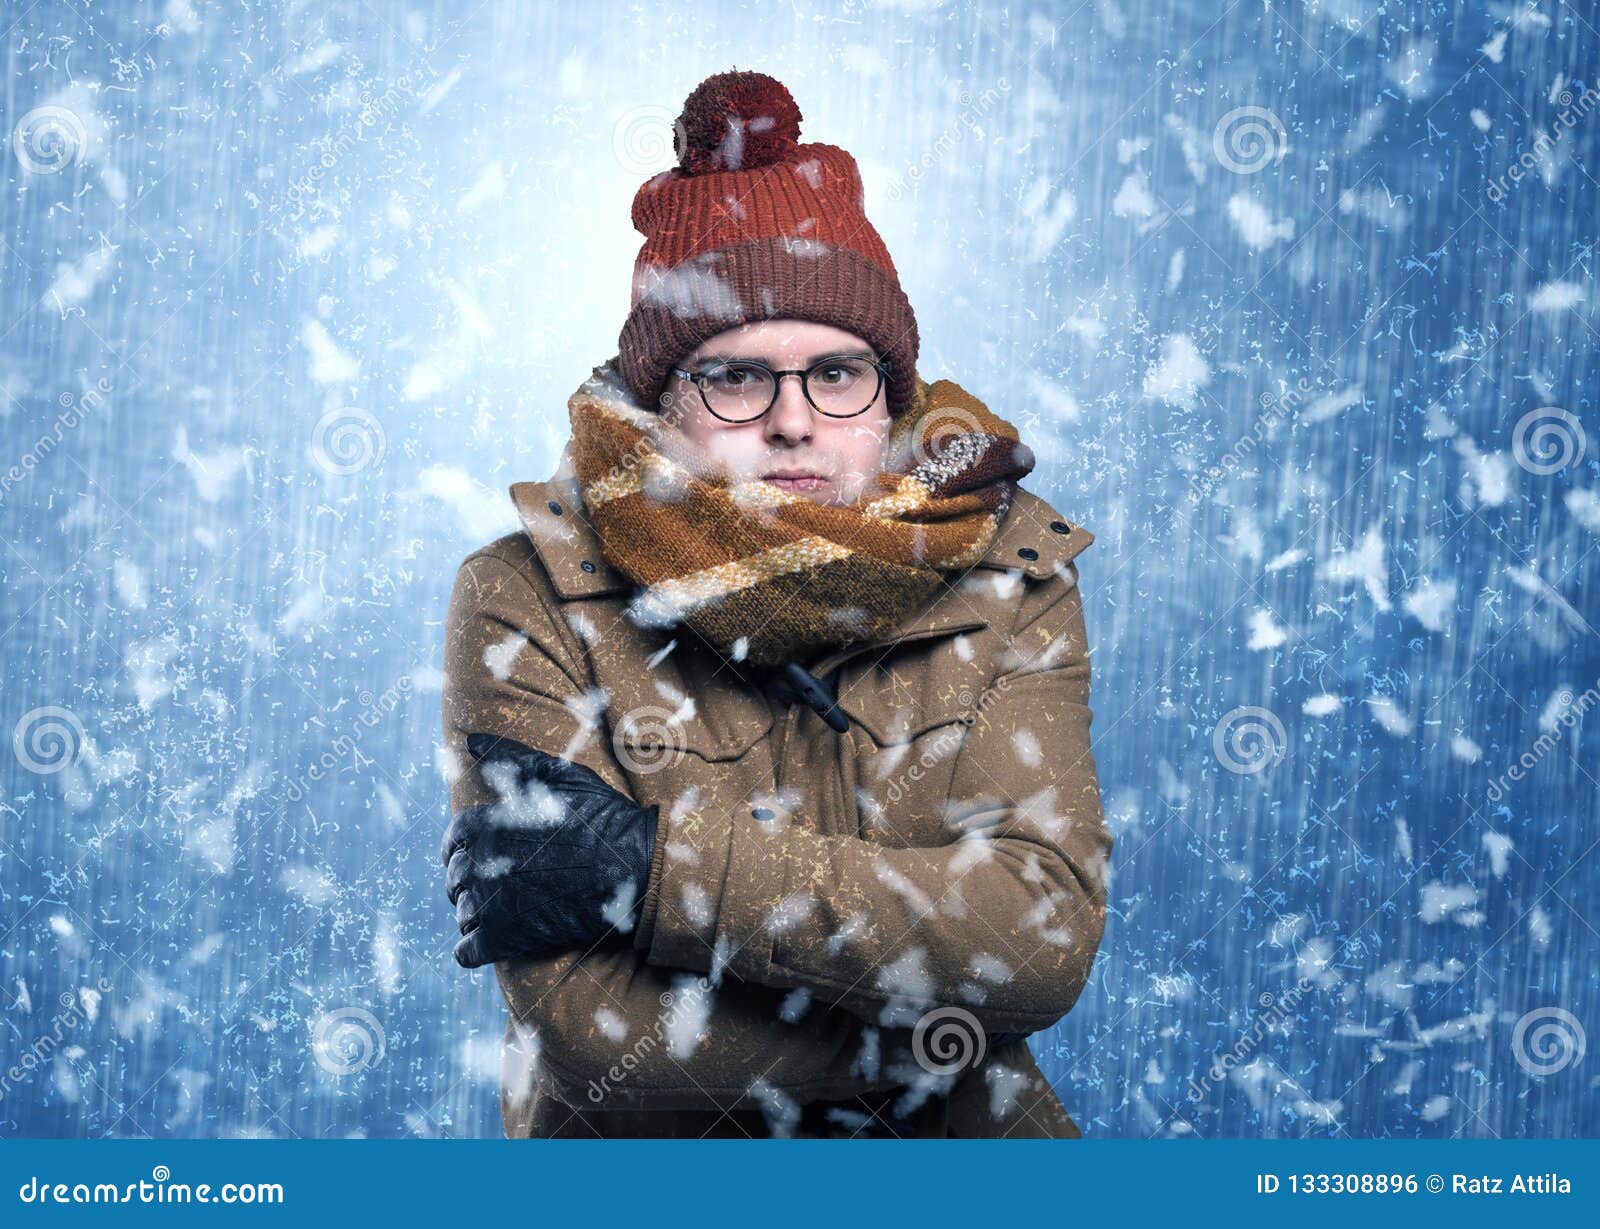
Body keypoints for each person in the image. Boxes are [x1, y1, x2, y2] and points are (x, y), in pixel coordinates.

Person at [440, 69, 1111, 1138]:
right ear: (662, 407)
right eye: (737, 377)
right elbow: (594, 1033)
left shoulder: (1005, 570)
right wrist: (953, 1025)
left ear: (888, 395)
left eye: (837, 373)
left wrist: (658, 871)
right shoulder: (529, 592)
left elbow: (1038, 941)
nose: (795, 420)